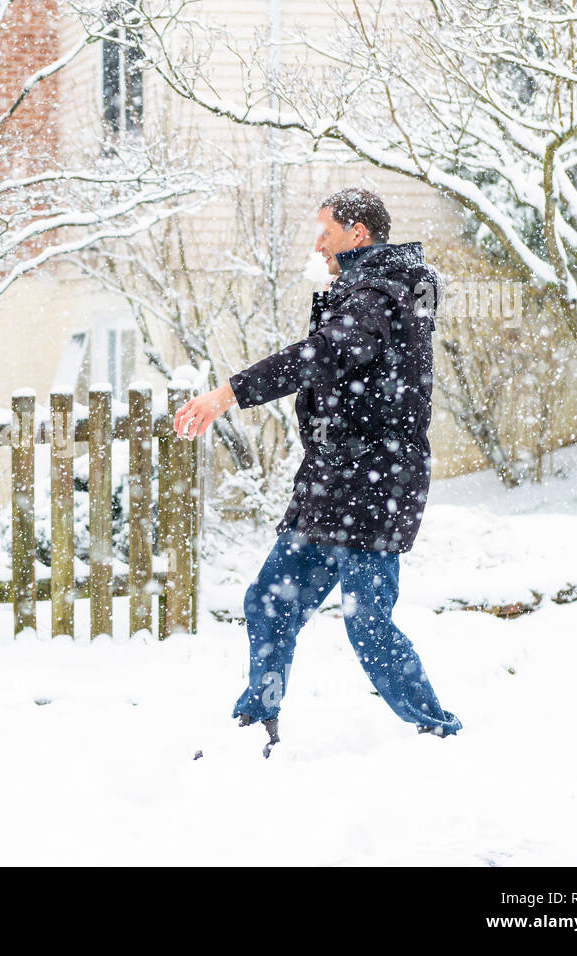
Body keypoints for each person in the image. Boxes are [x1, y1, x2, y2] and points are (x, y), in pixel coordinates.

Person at [173, 187, 461, 756]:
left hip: (375, 480)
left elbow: (324, 355)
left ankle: (436, 731)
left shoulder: (381, 292)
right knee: (270, 601)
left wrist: (230, 392)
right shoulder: (363, 288)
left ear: (358, 233)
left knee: (367, 621)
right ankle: (255, 721)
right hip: (332, 481)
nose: (317, 242)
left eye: (325, 230)